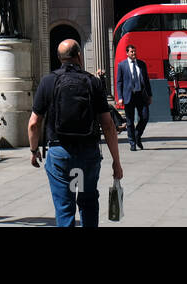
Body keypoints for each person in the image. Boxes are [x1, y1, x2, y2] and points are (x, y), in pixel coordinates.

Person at [28, 39, 123, 227]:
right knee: (88, 201)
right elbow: (108, 125)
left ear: (59, 58)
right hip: (88, 153)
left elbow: (33, 124)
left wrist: (33, 151)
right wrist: (116, 162)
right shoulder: (93, 82)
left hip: (60, 153)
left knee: (65, 205)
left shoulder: (48, 82)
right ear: (79, 55)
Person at [115, 45, 152, 151]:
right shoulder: (122, 65)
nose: (133, 54)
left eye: (134, 52)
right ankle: (132, 143)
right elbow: (119, 82)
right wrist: (120, 97)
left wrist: (150, 95)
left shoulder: (141, 64)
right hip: (129, 96)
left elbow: (146, 81)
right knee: (130, 121)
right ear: (127, 53)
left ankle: (137, 135)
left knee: (145, 117)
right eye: (131, 52)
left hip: (141, 95)